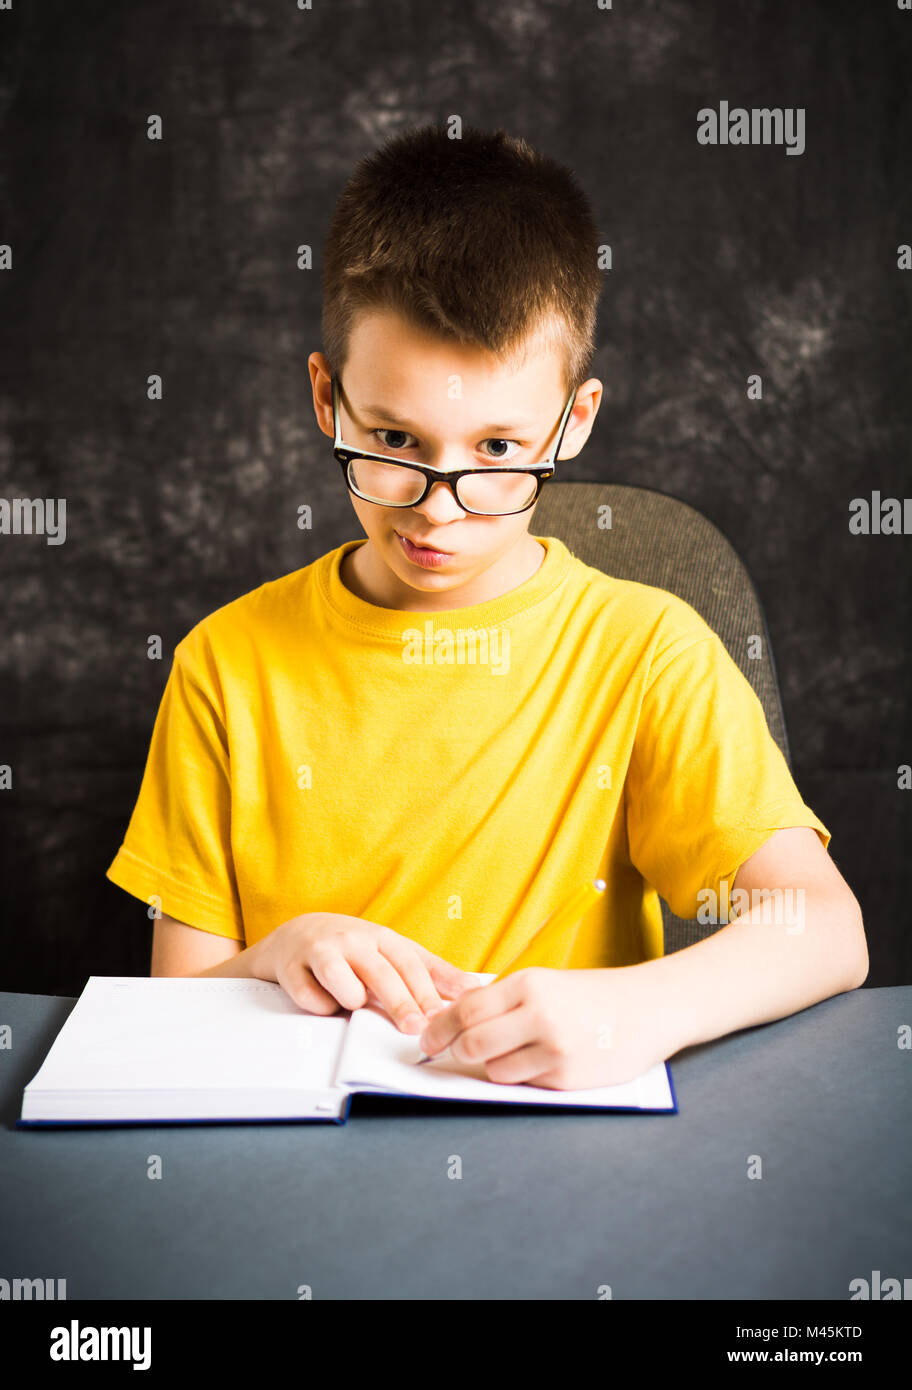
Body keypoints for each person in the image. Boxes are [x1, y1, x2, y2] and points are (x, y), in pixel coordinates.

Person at [106, 124, 867, 1091]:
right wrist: (271, 956)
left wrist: (636, 1009)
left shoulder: (647, 654)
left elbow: (827, 930)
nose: (437, 507)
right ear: (326, 398)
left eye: (499, 451)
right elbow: (177, 1008)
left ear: (574, 421)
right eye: (393, 437)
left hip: (567, 1168)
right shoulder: (226, 664)